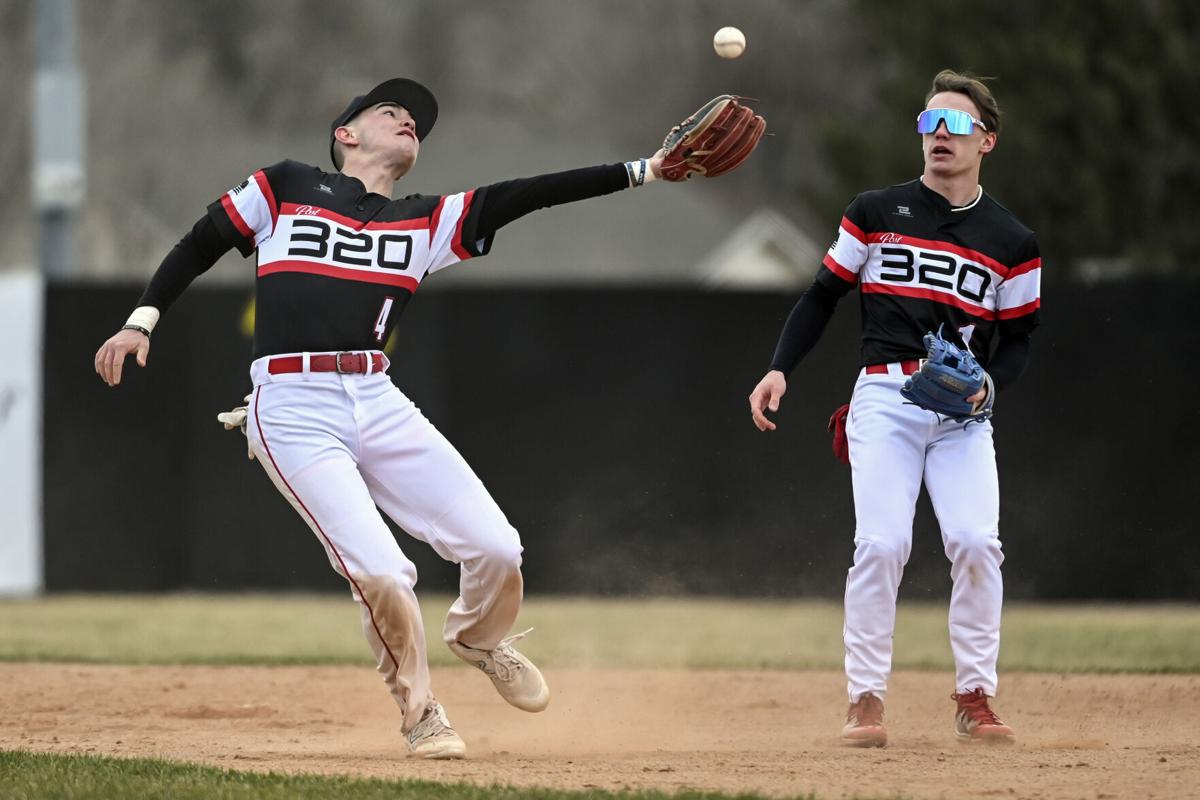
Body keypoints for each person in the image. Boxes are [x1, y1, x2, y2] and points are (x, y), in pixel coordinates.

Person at [94, 77, 702, 759]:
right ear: (346, 133)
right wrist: (141, 320)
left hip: (377, 395)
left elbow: (528, 193)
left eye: (417, 120)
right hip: (292, 406)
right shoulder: (286, 186)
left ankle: (477, 637)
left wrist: (646, 170)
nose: (409, 120)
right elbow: (199, 242)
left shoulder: (426, 220)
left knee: (498, 549)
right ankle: (421, 713)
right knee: (383, 573)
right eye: (391, 111)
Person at [748, 70, 1040, 747]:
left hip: (962, 414)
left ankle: (975, 697)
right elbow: (822, 295)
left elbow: (1019, 340)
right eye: (929, 121)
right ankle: (865, 699)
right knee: (881, 545)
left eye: (956, 123)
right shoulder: (877, 212)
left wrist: (988, 389)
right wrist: (780, 367)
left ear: (986, 141)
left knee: (977, 543)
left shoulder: (1011, 240)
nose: (940, 133)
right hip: (884, 396)